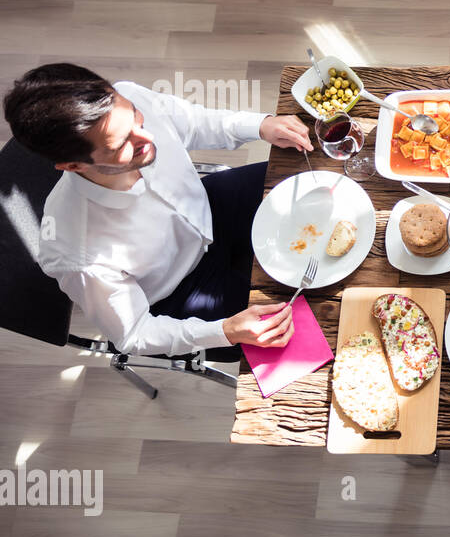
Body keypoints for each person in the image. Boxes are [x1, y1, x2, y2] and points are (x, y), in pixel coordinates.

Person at [3, 62, 314, 358]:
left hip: (210, 206)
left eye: (137, 119)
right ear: (73, 166)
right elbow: (134, 333)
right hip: (185, 292)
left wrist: (260, 125)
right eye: (125, 144)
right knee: (320, 322)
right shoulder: (78, 254)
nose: (148, 138)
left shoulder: (128, 96)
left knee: (314, 184)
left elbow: (192, 122)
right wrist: (226, 331)